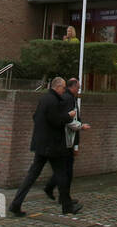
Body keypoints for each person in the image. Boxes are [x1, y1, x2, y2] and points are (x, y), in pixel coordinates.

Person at [10, 77, 82, 216]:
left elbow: (36, 117)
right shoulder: (54, 101)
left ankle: (16, 203)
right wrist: (69, 116)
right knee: (62, 175)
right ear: (58, 87)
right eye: (62, 88)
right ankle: (67, 207)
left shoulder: (44, 99)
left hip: (41, 144)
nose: (63, 90)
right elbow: (56, 121)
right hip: (52, 146)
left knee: (31, 176)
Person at [44, 77, 89, 202]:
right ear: (72, 87)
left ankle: (55, 191)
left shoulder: (68, 98)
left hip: (67, 139)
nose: (78, 90)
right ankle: (63, 197)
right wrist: (81, 127)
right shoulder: (69, 99)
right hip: (67, 140)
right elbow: (69, 121)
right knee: (66, 171)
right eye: (78, 88)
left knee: (63, 170)